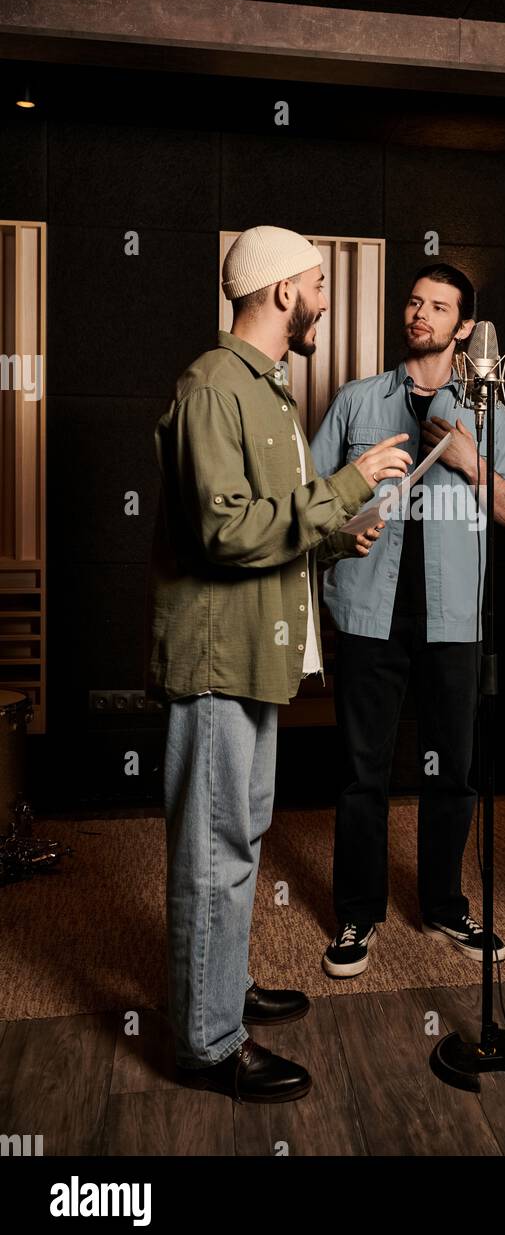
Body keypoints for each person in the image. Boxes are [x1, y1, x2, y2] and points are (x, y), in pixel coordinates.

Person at [145, 225, 411, 1102]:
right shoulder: (213, 386)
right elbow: (223, 532)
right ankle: (207, 1043)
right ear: (282, 292)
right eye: (320, 283)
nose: (327, 299)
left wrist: (338, 536)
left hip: (259, 659)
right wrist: (345, 484)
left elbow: (271, 524)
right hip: (220, 660)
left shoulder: (267, 389)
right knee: (213, 851)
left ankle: (219, 993)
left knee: (239, 837)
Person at [310, 263, 505, 977]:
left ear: (464, 327)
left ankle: (443, 903)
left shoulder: (486, 408)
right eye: (414, 302)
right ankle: (356, 916)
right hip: (368, 616)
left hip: (453, 623)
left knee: (455, 773)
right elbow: (308, 505)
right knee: (361, 773)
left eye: (439, 307)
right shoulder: (354, 400)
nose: (421, 314)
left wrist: (472, 461)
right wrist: (345, 525)